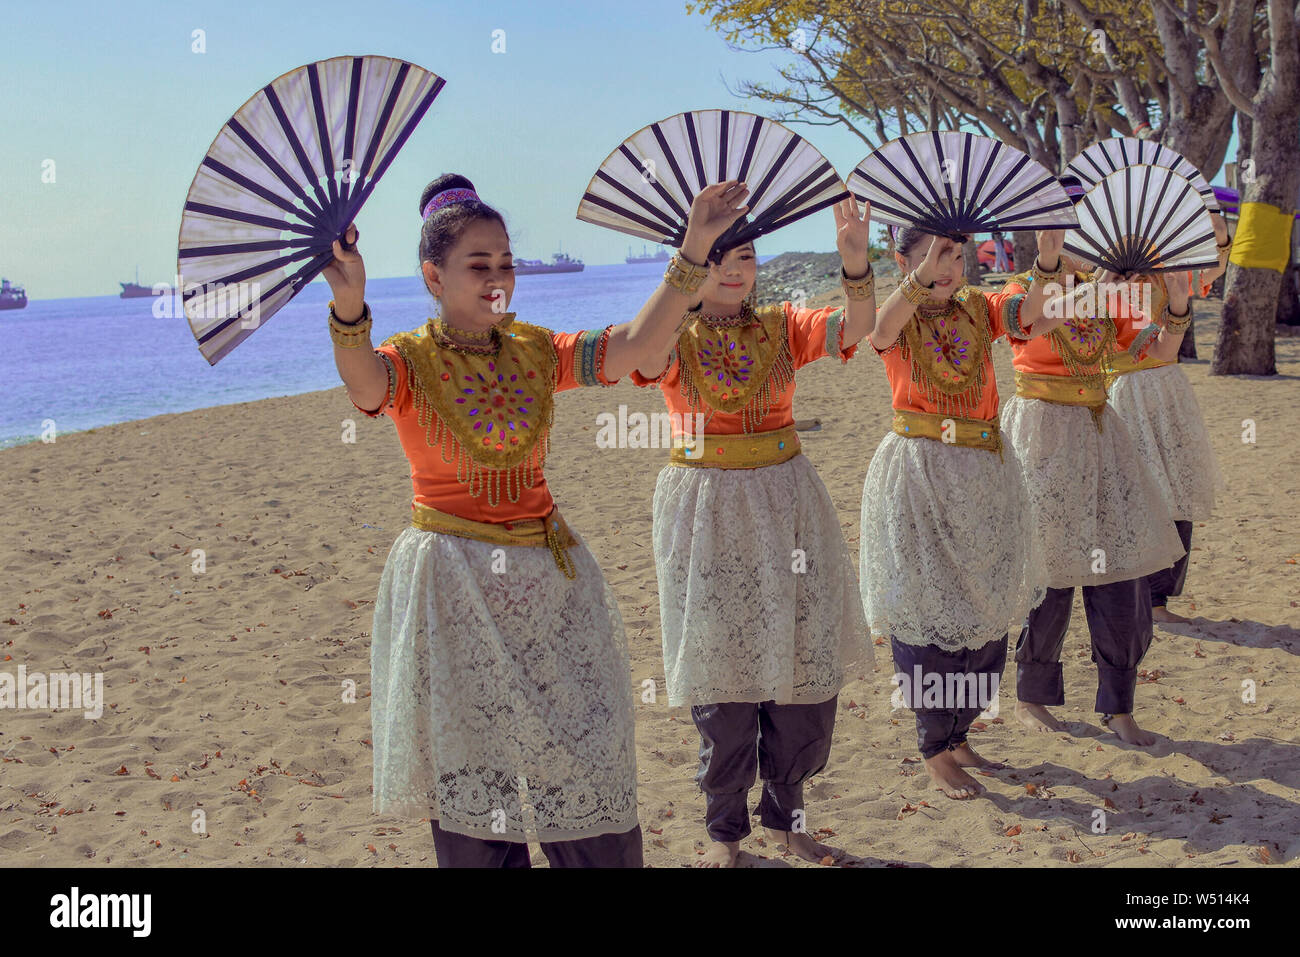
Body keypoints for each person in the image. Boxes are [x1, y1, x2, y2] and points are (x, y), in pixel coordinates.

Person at [322, 173, 751, 867]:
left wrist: (696, 244)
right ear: (433, 276)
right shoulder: (410, 360)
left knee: (585, 763)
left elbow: (640, 343)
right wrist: (349, 303)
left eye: (505, 263)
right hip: (452, 588)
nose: (497, 277)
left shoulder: (536, 351)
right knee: (475, 784)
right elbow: (364, 383)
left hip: (549, 585)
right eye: (477, 264)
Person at [628, 195, 876, 867]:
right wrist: (681, 272)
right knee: (722, 676)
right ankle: (726, 837)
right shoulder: (671, 337)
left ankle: (789, 822)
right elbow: (636, 358)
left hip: (788, 502)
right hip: (705, 513)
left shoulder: (783, 325)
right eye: (714, 259)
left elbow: (858, 327)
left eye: (743, 256)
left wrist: (856, 260)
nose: (732, 272)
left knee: (801, 671)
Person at [860, 224, 1065, 798]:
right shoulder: (898, 315)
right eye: (930, 255)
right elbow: (877, 333)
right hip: (921, 472)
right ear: (902, 260)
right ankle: (934, 747)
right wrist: (919, 282)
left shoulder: (979, 307)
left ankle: (961, 732)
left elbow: (1037, 319)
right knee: (928, 609)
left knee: (988, 600)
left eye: (954, 253)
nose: (946, 265)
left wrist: (1047, 261)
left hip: (985, 469)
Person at [1001, 178, 1189, 747]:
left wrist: (1176, 303)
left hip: (1102, 430)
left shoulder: (1114, 292)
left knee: (1122, 572)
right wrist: (1092, 284)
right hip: (1043, 432)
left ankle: (1120, 704)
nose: (1076, 236)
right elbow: (1033, 325)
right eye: (1066, 226)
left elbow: (1156, 352)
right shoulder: (1019, 288)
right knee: (1051, 569)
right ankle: (1034, 693)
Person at [1104, 213, 1231, 623]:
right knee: (1139, 491)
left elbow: (1214, 268)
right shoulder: (1101, 273)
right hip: (1123, 388)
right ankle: (1140, 598)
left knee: (1179, 484)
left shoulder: (1165, 268)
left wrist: (1221, 232)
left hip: (1168, 388)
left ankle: (1160, 599)